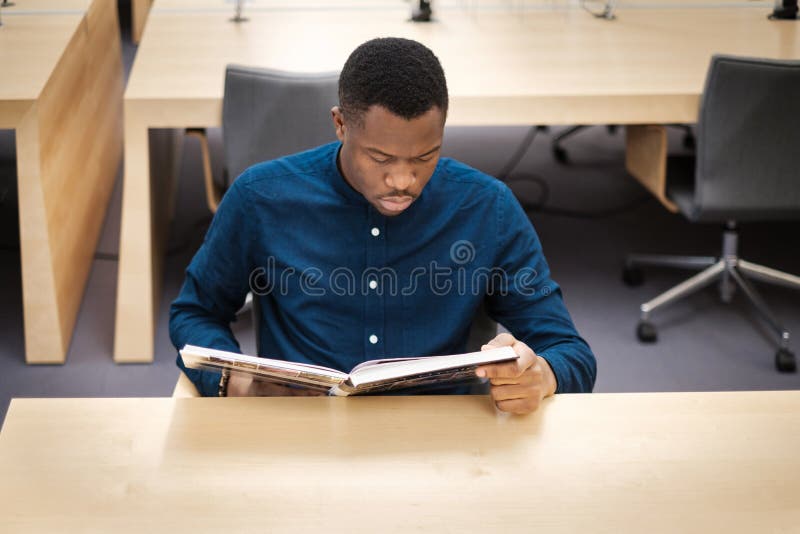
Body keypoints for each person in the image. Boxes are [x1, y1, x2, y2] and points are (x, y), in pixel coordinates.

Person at [170, 37, 596, 414]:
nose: (403, 181)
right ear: (340, 124)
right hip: (303, 432)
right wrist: (233, 382)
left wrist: (542, 375)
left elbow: (569, 349)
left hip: (444, 440)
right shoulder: (260, 197)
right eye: (380, 158)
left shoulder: (488, 207)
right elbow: (195, 313)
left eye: (424, 156)